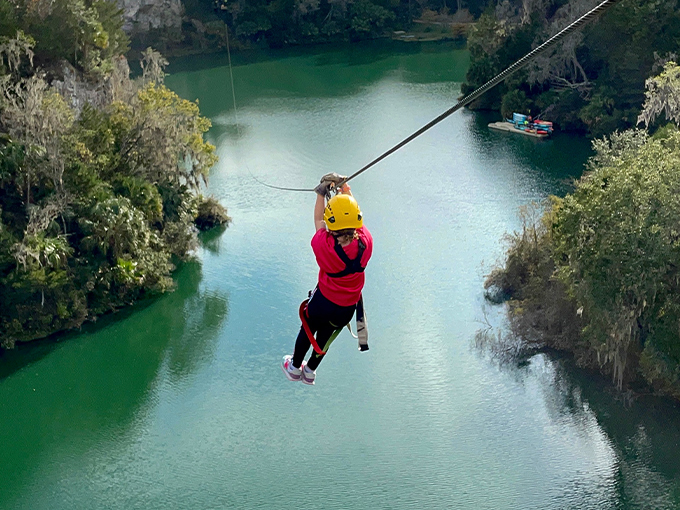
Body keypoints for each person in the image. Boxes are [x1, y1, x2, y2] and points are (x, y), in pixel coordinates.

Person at [282, 173, 373, 385]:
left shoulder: (324, 245)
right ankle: (310, 371)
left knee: (308, 328)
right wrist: (345, 189)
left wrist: (321, 193)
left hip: (323, 301)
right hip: (346, 308)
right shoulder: (366, 242)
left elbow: (318, 220)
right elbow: (355, 218)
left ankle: (295, 367)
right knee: (326, 335)